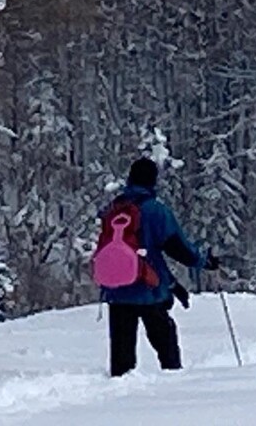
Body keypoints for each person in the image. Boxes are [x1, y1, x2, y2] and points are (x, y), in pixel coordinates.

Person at [99, 156, 219, 376]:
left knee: (121, 358)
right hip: (148, 288)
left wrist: (173, 285)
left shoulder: (114, 209)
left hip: (116, 289)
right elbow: (176, 248)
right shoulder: (155, 211)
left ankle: (118, 396)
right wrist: (203, 261)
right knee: (165, 343)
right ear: (153, 181)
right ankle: (172, 385)